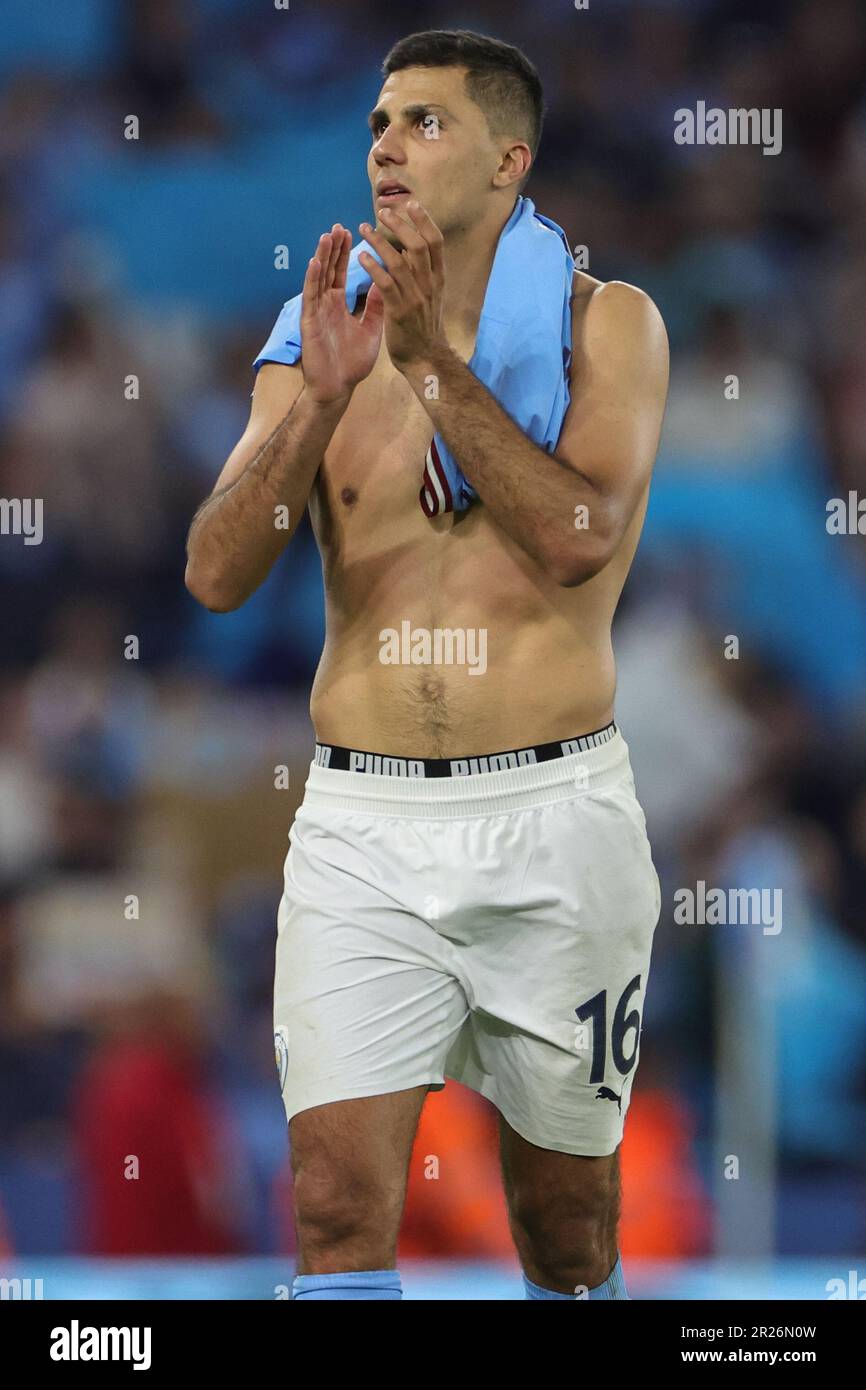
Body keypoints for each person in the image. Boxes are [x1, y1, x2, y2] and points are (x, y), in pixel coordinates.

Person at [185, 29, 669, 1301]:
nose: (386, 146)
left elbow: (577, 540)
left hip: (553, 821)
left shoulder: (601, 322)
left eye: (425, 123)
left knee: (565, 1236)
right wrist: (324, 404)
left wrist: (433, 372)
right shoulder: (312, 336)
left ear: (509, 162)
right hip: (363, 823)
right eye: (378, 123)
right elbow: (216, 574)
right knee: (337, 1209)